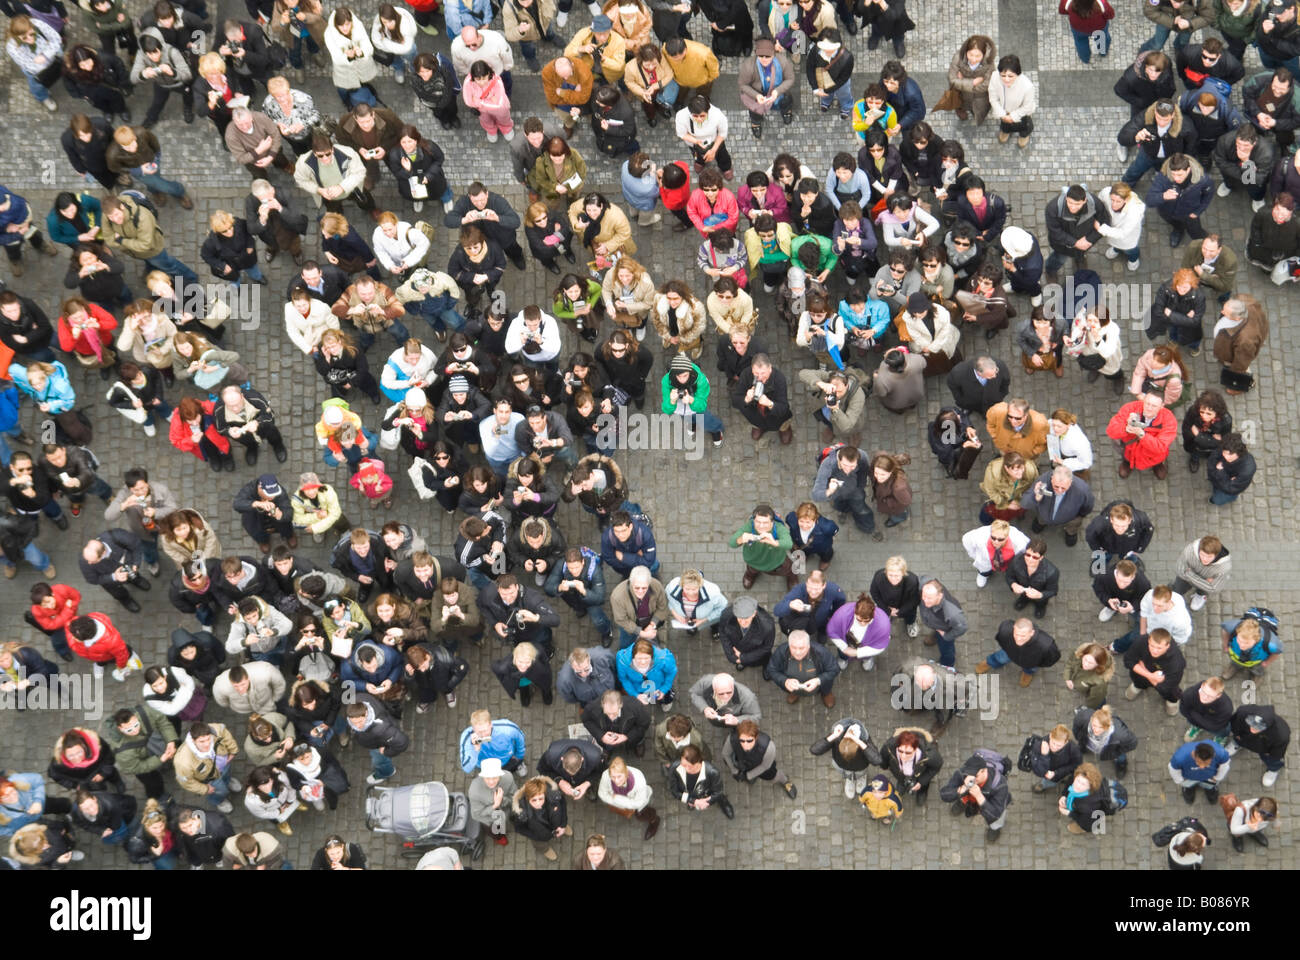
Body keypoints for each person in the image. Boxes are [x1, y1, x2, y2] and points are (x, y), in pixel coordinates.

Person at [939, 749, 1013, 840]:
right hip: (969, 799)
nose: (972, 779)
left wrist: (979, 796)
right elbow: (944, 794)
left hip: (989, 803)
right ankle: (963, 803)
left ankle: (995, 828)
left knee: (997, 820)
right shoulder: (963, 773)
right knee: (963, 796)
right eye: (970, 775)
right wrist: (962, 789)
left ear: (984, 771)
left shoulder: (1000, 785)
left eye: (976, 776)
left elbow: (995, 814)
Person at [345, 692, 409, 785]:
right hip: (372, 741)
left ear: (366, 713)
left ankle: (386, 773)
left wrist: (386, 752)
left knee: (380, 761)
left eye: (360, 721)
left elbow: (403, 742)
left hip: (378, 746)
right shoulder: (359, 698)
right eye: (353, 722)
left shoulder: (382, 729)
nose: (358, 726)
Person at [511, 775, 570, 861]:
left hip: (556, 822)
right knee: (540, 844)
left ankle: (563, 827)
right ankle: (544, 849)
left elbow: (563, 806)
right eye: (534, 800)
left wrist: (563, 824)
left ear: (545, 794)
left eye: (541, 798)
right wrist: (536, 836)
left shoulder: (555, 796)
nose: (538, 803)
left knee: (561, 822)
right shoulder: (521, 813)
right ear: (527, 798)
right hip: (539, 835)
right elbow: (519, 829)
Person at [1230, 706, 1289, 788]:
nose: (1252, 729)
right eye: (1251, 724)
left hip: (1265, 749)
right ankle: (1237, 744)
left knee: (1273, 761)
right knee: (1238, 739)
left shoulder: (1281, 734)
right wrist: (1236, 734)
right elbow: (1235, 723)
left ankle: (1273, 769)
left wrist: (1271, 755)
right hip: (1243, 738)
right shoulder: (1243, 711)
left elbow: (1277, 752)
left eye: (1258, 727)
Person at [918, 579, 968, 669]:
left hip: (945, 630)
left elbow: (962, 628)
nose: (924, 600)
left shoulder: (953, 614)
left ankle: (947, 665)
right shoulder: (925, 585)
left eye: (929, 598)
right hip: (936, 624)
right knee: (937, 631)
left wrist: (946, 636)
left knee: (947, 650)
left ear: (940, 596)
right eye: (924, 595)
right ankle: (935, 636)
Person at [1221, 608, 1283, 680]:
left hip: (1257, 661)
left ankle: (1256, 675)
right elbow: (1225, 630)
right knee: (1235, 662)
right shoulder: (1233, 627)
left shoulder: (1271, 644)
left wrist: (1267, 662)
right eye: (1239, 640)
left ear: (1256, 640)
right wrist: (1225, 645)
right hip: (1236, 656)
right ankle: (1234, 667)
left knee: (1257, 669)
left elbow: (1277, 652)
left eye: (1247, 643)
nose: (1242, 645)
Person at [468, 757, 516, 846]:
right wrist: (495, 805)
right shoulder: (474, 791)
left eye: (494, 777)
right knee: (495, 830)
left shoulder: (508, 778)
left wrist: (503, 800)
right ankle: (499, 837)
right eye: (487, 778)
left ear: (500, 775)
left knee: (510, 816)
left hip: (506, 809)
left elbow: (514, 796)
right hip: (489, 819)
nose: (491, 782)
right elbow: (478, 813)